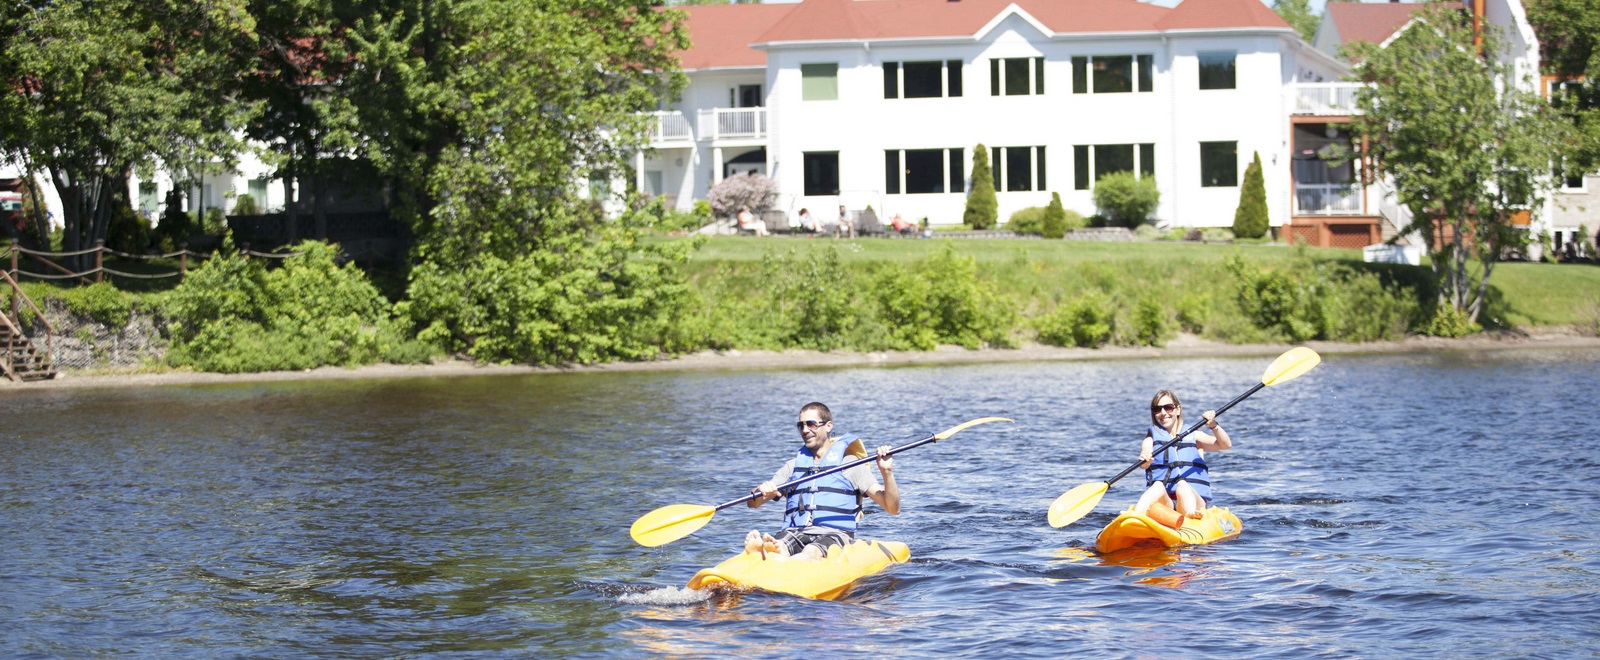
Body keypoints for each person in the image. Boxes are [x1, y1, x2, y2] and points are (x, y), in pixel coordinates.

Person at [744, 402, 900, 560]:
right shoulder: (792, 467)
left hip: (834, 534)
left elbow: (892, 508)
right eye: (801, 425)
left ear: (828, 426)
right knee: (783, 542)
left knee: (812, 550)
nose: (805, 430)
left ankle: (791, 559)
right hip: (795, 532)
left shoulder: (851, 464)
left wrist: (886, 471)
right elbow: (753, 503)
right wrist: (760, 491)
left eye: (811, 424)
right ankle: (774, 551)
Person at [1133, 389, 1231, 527]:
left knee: (1182, 485)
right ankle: (1135, 517)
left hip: (1194, 501)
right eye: (1157, 409)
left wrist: (1213, 425)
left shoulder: (1194, 435)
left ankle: (1191, 515)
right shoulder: (1150, 441)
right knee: (1157, 485)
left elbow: (1225, 444)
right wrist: (1145, 460)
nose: (1163, 413)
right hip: (1167, 505)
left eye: (1168, 407)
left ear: (1178, 410)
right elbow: (1143, 464)